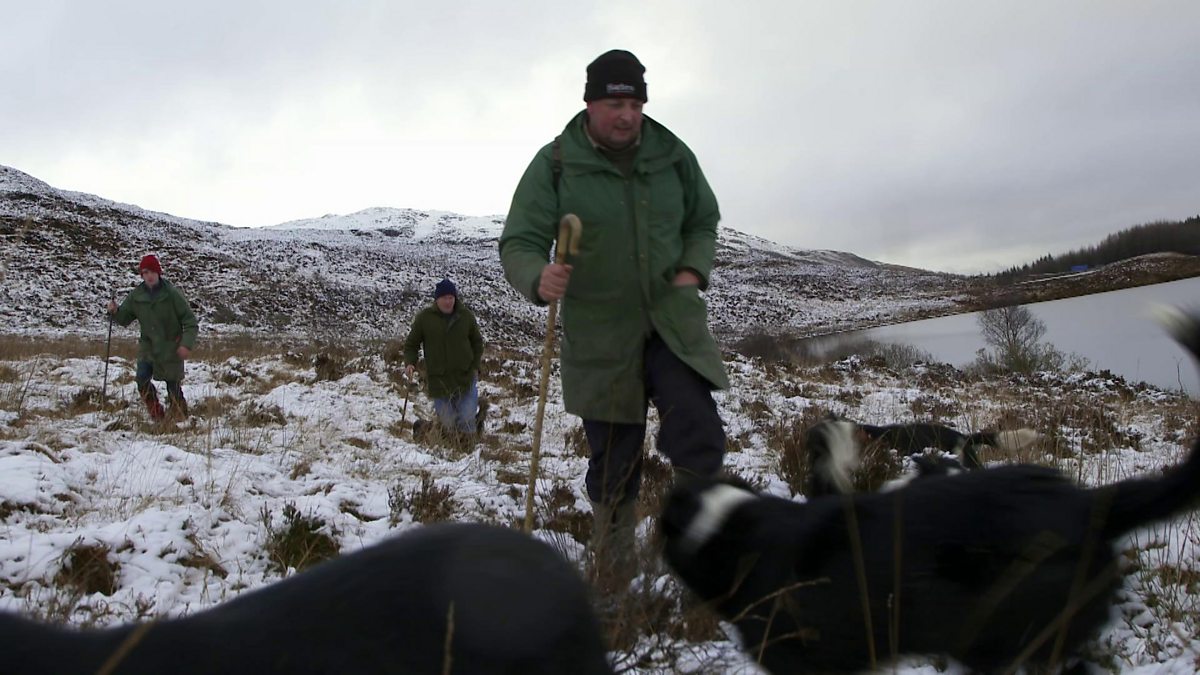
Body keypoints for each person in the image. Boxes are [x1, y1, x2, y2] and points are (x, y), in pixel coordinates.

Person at [499, 49, 729, 582]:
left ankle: (701, 556)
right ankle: (614, 569)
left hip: (672, 327)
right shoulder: (555, 163)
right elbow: (519, 241)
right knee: (614, 462)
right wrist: (538, 276)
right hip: (600, 336)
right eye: (613, 102)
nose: (625, 114)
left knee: (698, 435)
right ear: (589, 104)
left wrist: (694, 267)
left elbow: (703, 219)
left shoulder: (673, 155)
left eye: (634, 103)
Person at [107, 254, 198, 421]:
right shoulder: (136, 296)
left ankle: (181, 419)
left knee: (173, 386)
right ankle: (156, 414)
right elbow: (124, 318)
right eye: (145, 272)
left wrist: (186, 344)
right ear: (142, 275)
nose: (149, 275)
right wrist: (115, 311)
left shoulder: (172, 294)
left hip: (171, 347)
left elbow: (190, 321)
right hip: (148, 348)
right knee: (141, 379)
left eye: (152, 272)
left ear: (159, 273)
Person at [403, 278, 485, 436]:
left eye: (451, 298)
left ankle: (469, 449)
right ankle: (427, 429)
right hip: (439, 380)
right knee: (448, 423)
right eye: (444, 298)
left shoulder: (466, 316)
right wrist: (410, 363)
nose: (448, 302)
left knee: (466, 419)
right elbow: (411, 344)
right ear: (437, 299)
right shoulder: (425, 318)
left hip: (465, 377)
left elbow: (477, 342)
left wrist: (475, 366)